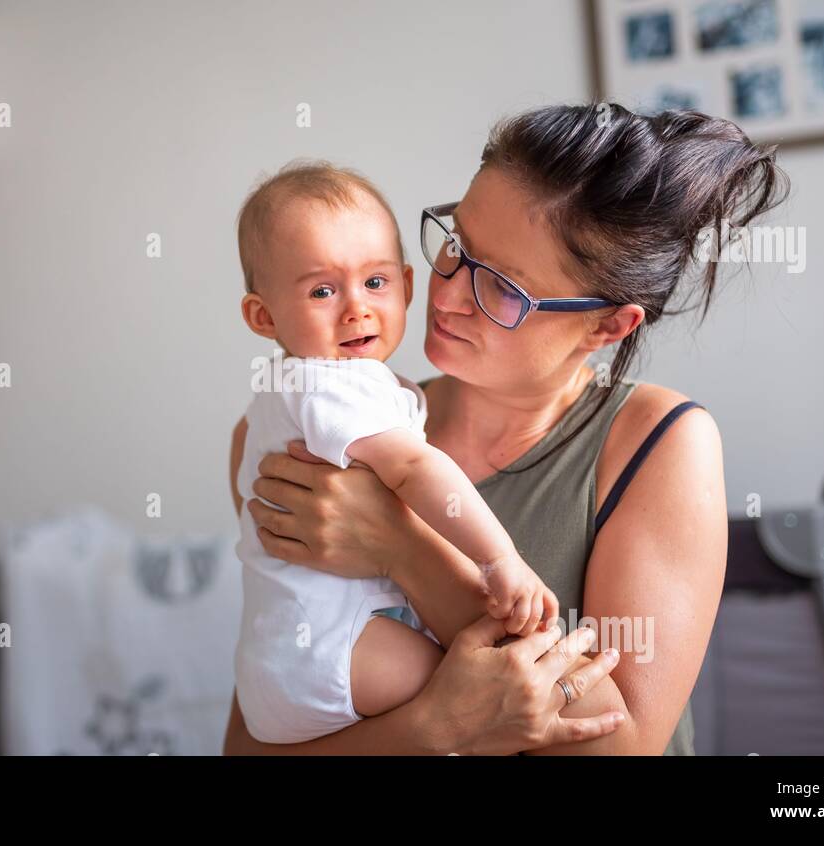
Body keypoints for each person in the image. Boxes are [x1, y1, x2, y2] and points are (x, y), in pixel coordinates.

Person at [224, 103, 788, 754]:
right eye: (456, 246)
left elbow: (614, 748)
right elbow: (251, 743)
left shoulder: (659, 443)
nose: (446, 293)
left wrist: (399, 545)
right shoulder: (309, 439)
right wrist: (432, 727)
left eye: (501, 288)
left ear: (608, 326)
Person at [231, 162, 560, 744]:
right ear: (264, 316)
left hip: (289, 658)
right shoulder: (329, 384)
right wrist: (500, 560)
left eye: (376, 283)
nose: (356, 308)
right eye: (323, 291)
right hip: (337, 650)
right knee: (491, 694)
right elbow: (413, 468)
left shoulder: (294, 391)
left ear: (406, 284)